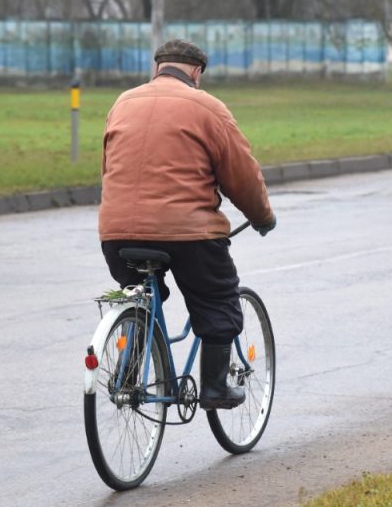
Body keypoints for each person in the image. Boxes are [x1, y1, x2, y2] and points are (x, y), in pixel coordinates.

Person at [98, 38, 276, 410]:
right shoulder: (207, 107)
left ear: (158, 67)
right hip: (187, 234)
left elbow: (109, 167)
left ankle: (131, 366)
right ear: (196, 72)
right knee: (217, 300)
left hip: (116, 232)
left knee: (142, 292)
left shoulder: (122, 103)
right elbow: (241, 175)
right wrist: (262, 216)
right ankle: (215, 389)